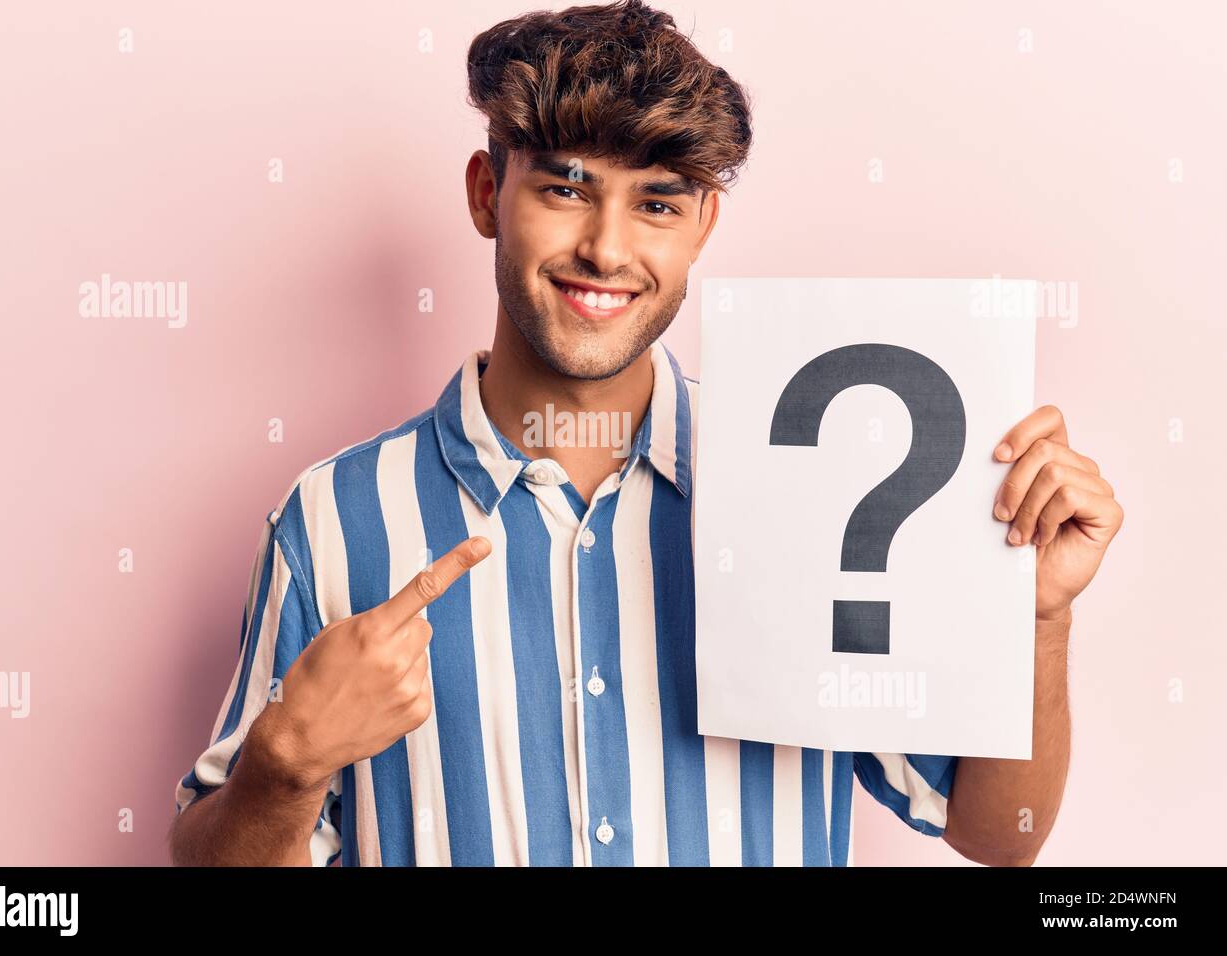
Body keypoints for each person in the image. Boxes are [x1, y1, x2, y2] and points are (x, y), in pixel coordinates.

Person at [168, 0, 1122, 866]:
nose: (608, 250)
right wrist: (284, 767)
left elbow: (1001, 838)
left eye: (657, 203)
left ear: (703, 223)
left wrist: (1038, 619)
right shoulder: (334, 518)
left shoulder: (814, 488)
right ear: (483, 193)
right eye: (566, 190)